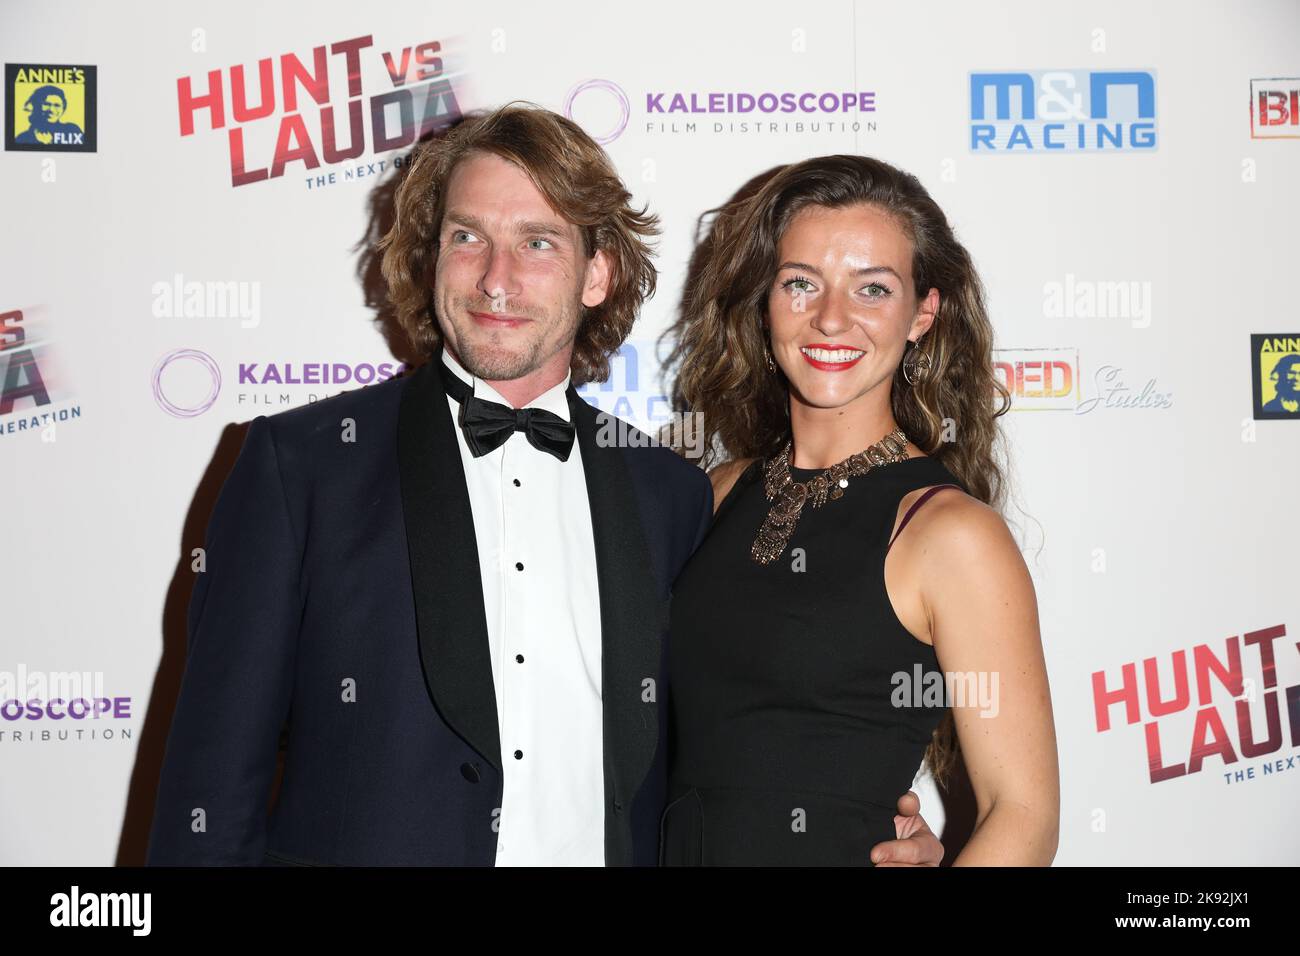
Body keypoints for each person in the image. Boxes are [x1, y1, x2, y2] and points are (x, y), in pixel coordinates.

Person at [146, 103, 942, 866]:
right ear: (430, 258)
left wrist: (876, 825)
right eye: (468, 237)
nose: (497, 279)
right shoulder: (303, 465)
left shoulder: (673, 496)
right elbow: (210, 792)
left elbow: (741, 731)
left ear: (597, 274)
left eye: (537, 243)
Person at [660, 154, 1060, 865]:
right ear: (765, 300)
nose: (831, 318)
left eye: (872, 289)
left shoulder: (949, 534)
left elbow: (1020, 815)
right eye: (800, 284)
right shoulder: (714, 494)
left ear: (922, 314)